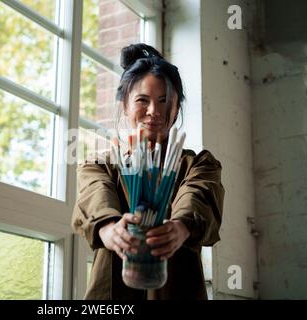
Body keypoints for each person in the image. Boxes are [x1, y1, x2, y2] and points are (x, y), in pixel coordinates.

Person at [71, 43, 225, 300]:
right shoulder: (99, 166)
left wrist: (180, 227)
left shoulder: (198, 165)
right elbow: (95, 198)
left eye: (165, 101)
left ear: (176, 109)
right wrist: (110, 230)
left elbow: (199, 196)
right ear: (125, 106)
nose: (154, 111)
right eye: (142, 100)